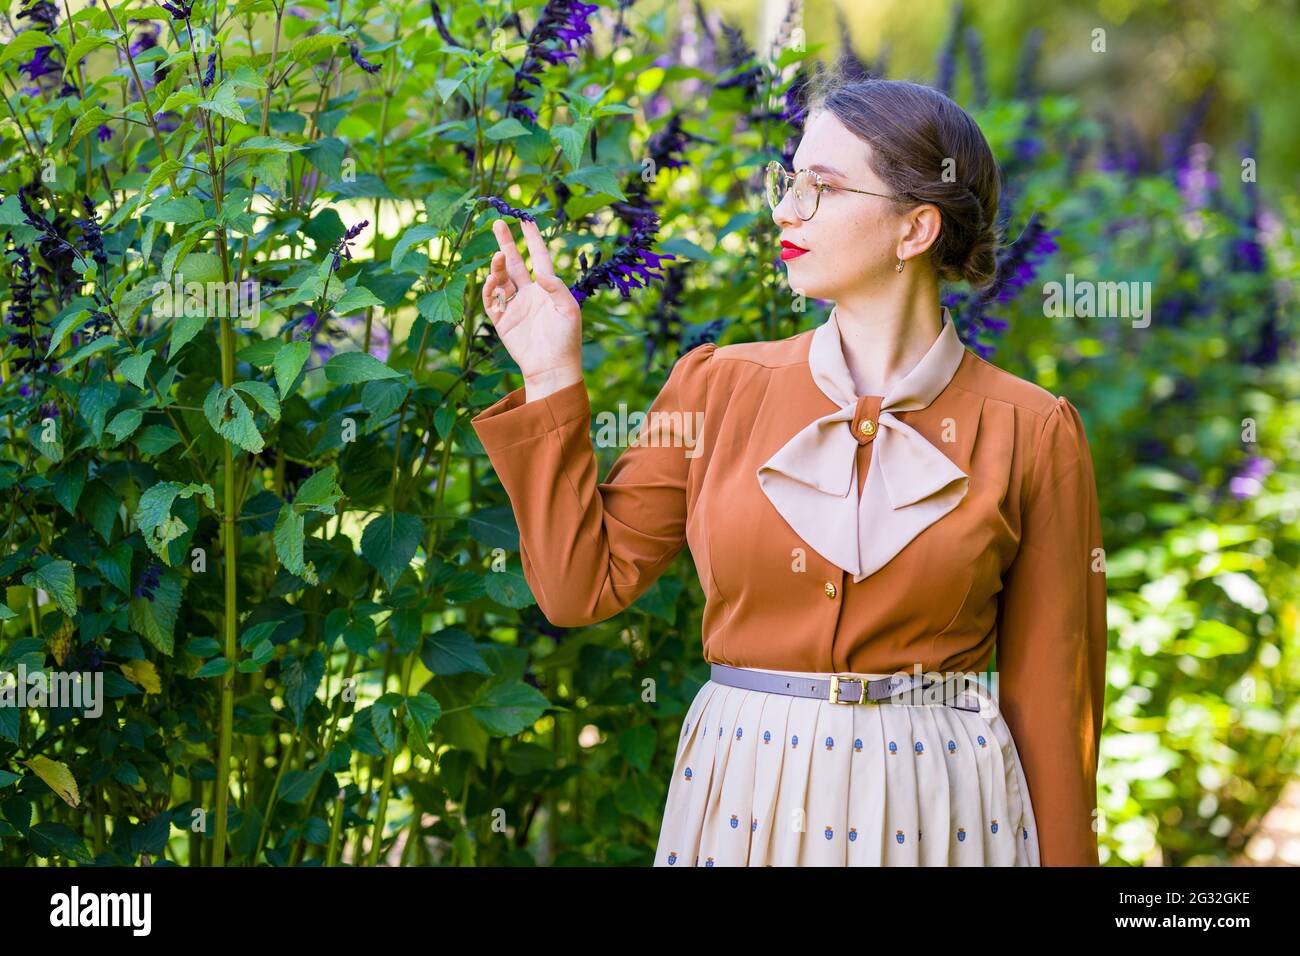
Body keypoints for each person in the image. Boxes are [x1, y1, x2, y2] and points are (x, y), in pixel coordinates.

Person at [470, 75, 1107, 867]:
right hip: (744, 796)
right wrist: (550, 376)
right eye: (790, 180)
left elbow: (1055, 703)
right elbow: (577, 588)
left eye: (822, 188)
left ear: (915, 229)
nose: (784, 210)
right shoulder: (716, 386)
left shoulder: (1033, 431)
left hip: (941, 808)